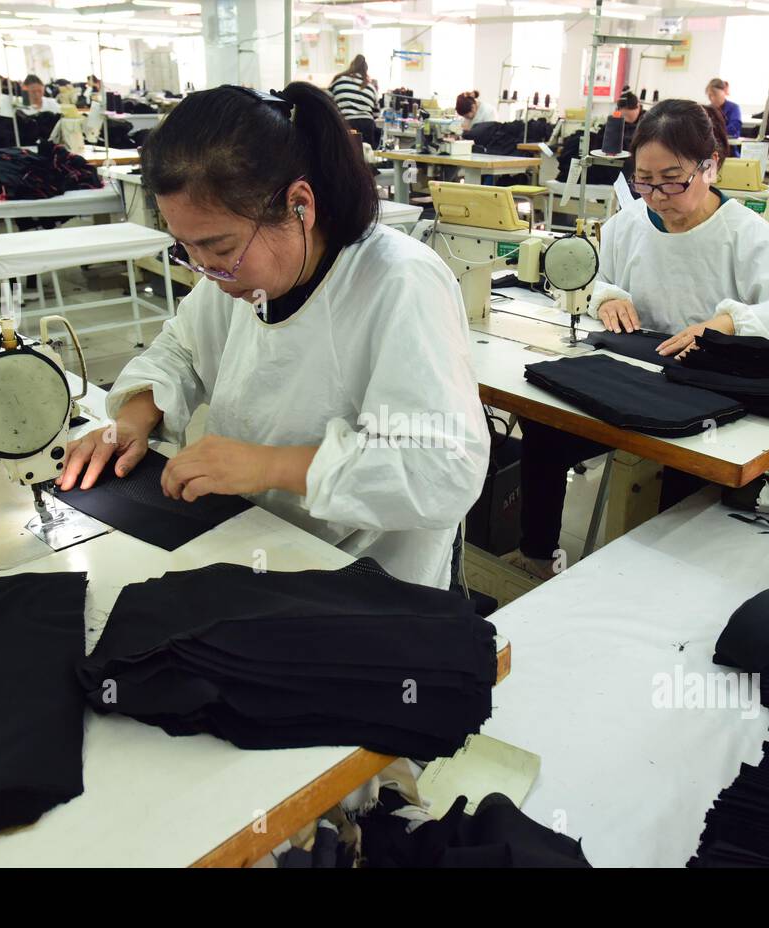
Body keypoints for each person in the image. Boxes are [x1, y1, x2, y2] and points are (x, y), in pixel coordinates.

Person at [55, 84, 489, 589]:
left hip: (368, 575)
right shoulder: (232, 277)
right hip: (257, 539)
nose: (207, 270)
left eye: (218, 247)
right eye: (187, 250)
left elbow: (442, 469)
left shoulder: (399, 282)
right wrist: (131, 421)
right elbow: (181, 350)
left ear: (300, 205)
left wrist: (270, 465)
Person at [506, 99, 769, 581]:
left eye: (672, 179)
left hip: (701, 390)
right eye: (644, 179)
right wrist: (605, 296)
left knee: (680, 481)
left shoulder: (745, 234)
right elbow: (576, 277)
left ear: (711, 165)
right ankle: (536, 558)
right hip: (627, 375)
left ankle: (648, 583)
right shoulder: (627, 224)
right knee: (542, 425)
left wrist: (730, 322)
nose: (657, 195)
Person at [328, 55, 379, 148]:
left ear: (351, 66)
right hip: (367, 124)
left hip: (347, 123)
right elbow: (376, 114)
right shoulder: (371, 88)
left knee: (347, 155)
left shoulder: (339, 81)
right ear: (365, 70)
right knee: (366, 157)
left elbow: (327, 102)